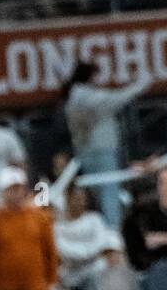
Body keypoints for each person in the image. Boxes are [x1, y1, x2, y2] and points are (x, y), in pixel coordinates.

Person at [63, 61, 152, 228]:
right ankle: (112, 233)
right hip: (99, 152)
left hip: (90, 151)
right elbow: (115, 100)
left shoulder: (77, 95)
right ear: (89, 76)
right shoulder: (83, 95)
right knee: (108, 194)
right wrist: (139, 85)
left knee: (99, 196)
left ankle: (105, 231)